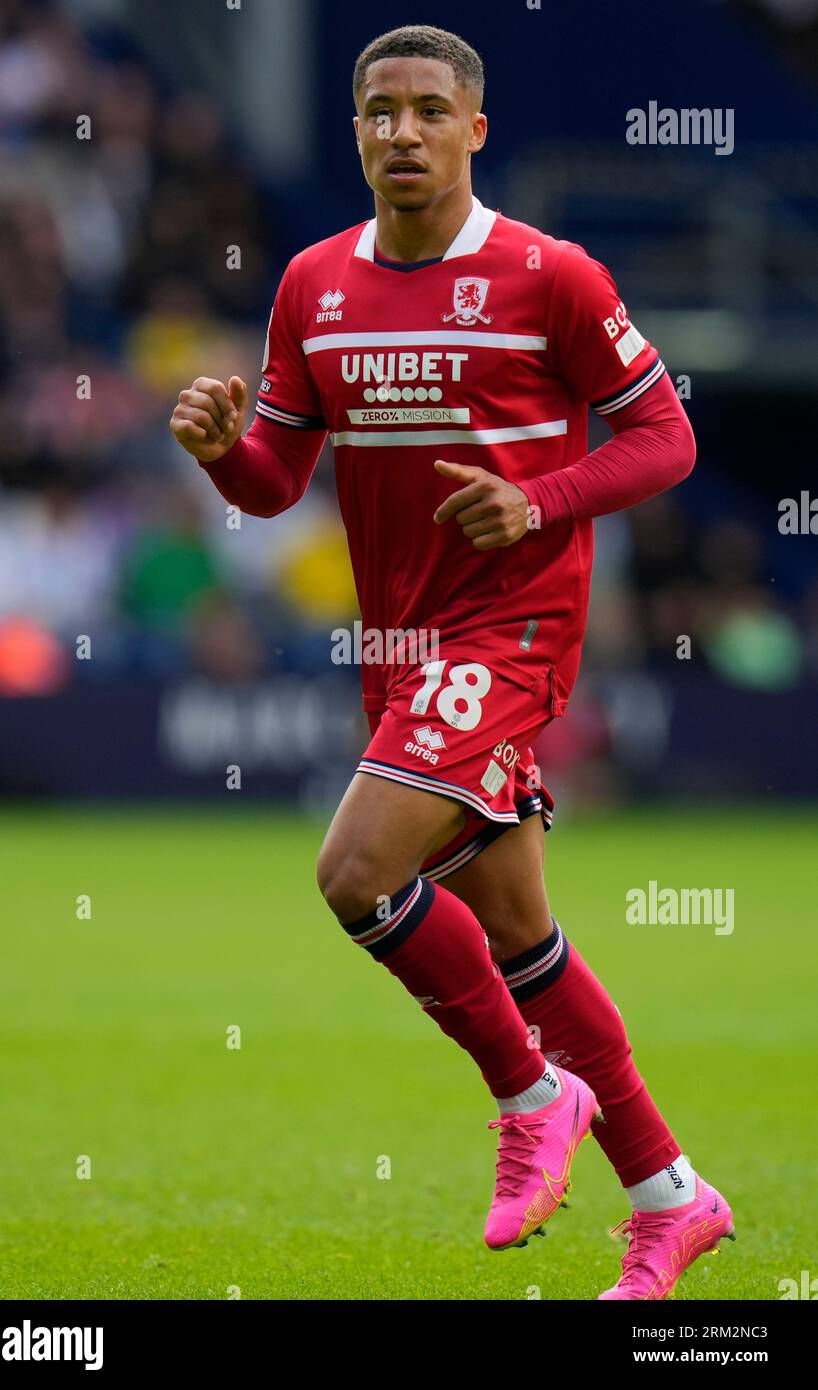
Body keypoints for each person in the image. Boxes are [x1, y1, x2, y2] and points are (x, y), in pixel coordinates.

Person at [169, 24, 734, 1300]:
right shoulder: (312, 283)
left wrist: (539, 501)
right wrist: (216, 449)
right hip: (400, 652)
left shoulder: (550, 276)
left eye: (430, 110)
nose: (403, 132)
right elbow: (272, 483)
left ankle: (533, 1099)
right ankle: (669, 1198)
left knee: (356, 873)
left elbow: (666, 437)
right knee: (521, 932)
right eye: (381, 111)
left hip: (514, 633)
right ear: (356, 129)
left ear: (475, 129)